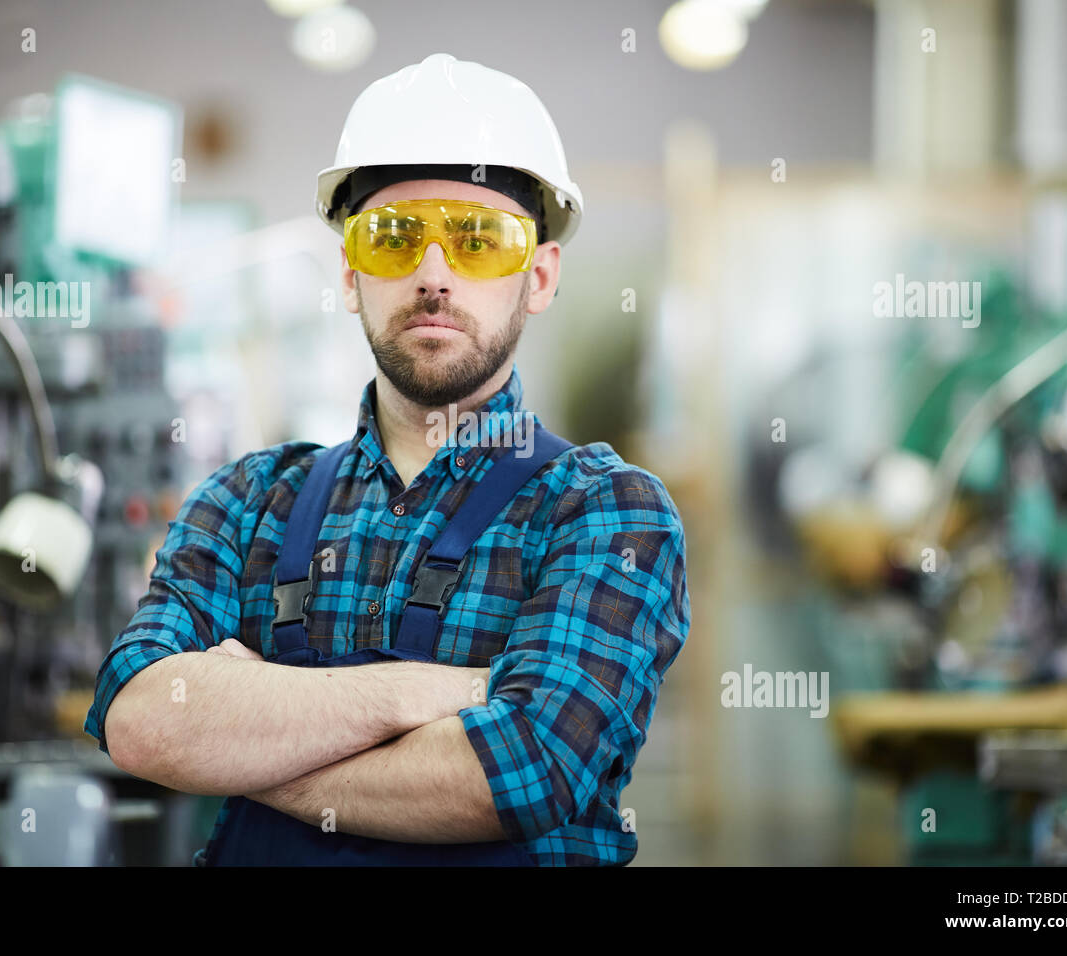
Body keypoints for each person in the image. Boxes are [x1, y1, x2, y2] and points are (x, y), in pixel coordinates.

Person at [84, 52, 691, 866]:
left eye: (477, 241)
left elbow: (519, 773)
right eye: (394, 236)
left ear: (538, 276)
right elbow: (141, 719)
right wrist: (429, 693)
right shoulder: (246, 500)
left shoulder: (607, 511)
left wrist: (245, 739)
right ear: (350, 270)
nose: (432, 275)